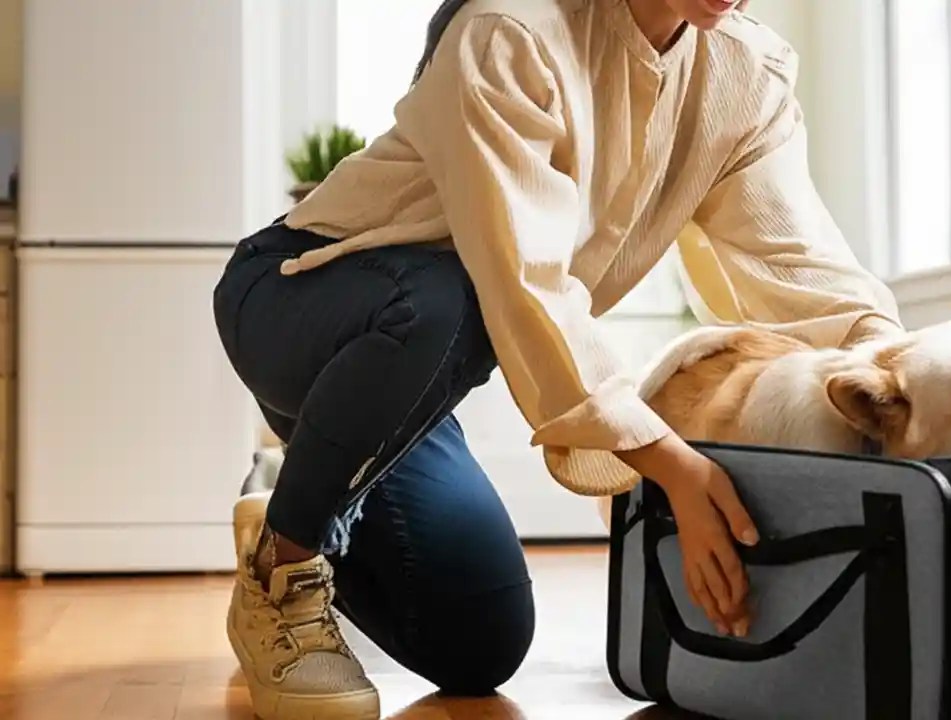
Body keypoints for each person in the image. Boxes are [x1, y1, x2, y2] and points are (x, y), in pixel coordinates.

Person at [212, 0, 901, 718]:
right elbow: (524, 280)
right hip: (297, 297)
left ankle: (299, 496)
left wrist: (896, 371)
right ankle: (283, 568)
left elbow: (797, 261)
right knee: (453, 297)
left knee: (479, 642)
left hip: (412, 374)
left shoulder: (745, 74)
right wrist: (671, 465)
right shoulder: (509, 31)